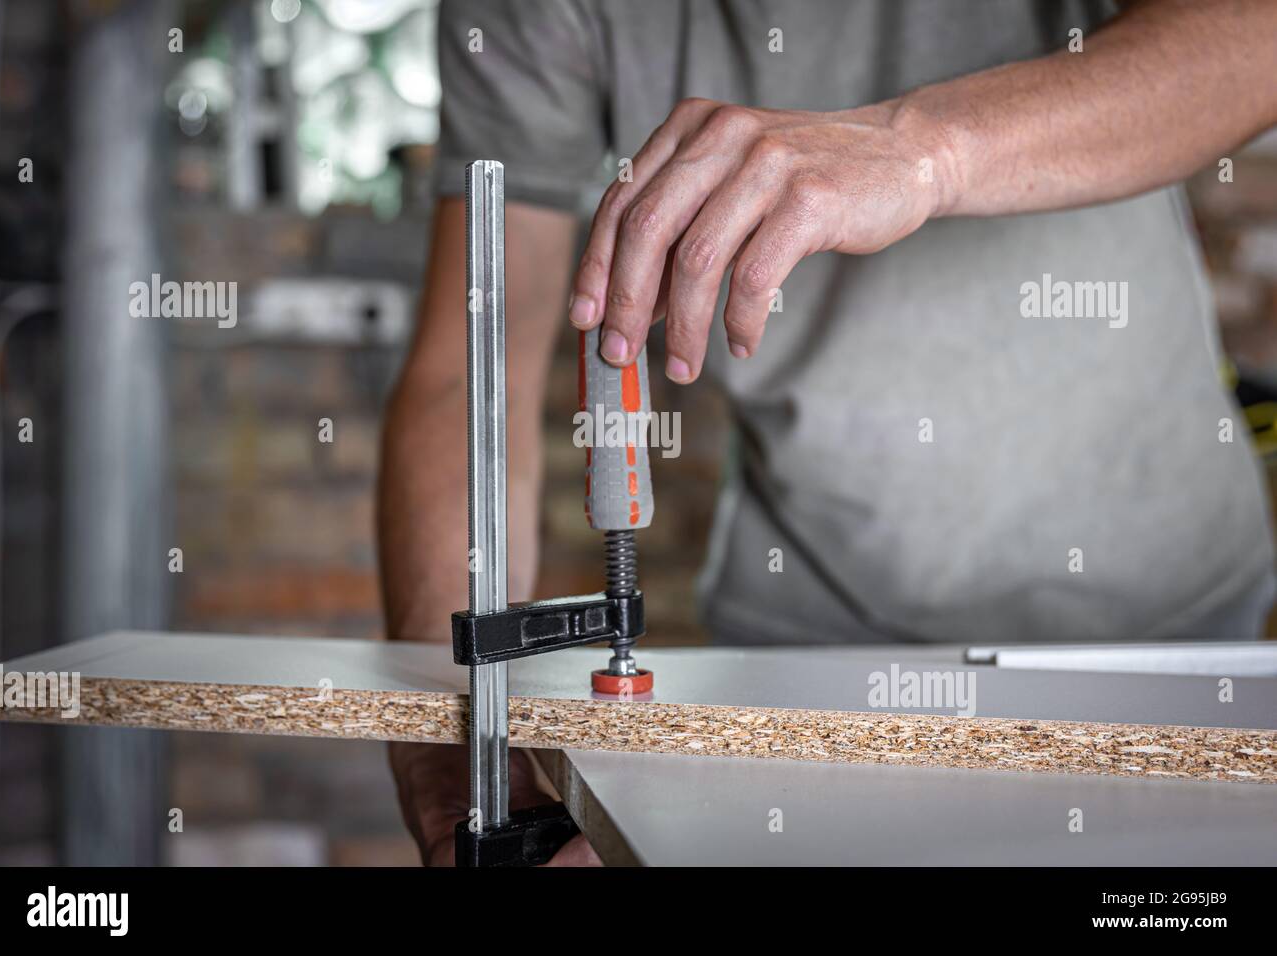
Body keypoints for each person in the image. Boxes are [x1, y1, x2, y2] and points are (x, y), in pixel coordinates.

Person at [378, 0, 1277, 865]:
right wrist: (451, 761)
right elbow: (470, 372)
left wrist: (922, 152)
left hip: (1156, 625)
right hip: (809, 644)